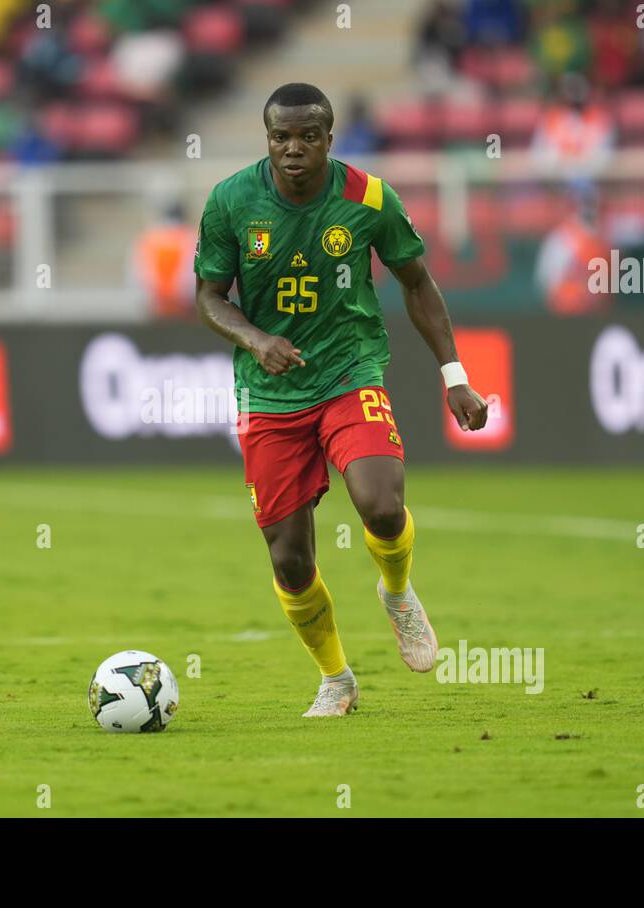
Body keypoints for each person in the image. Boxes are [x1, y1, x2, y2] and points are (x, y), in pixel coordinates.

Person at [193, 83, 489, 718]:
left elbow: (418, 282)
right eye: (281, 137)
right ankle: (337, 678)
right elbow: (210, 296)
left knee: (381, 506)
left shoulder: (370, 197)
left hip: (349, 373)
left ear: (330, 138)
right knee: (290, 557)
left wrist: (455, 375)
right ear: (266, 138)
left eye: (307, 136)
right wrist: (254, 337)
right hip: (269, 395)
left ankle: (398, 592)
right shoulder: (230, 201)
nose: (293, 149)